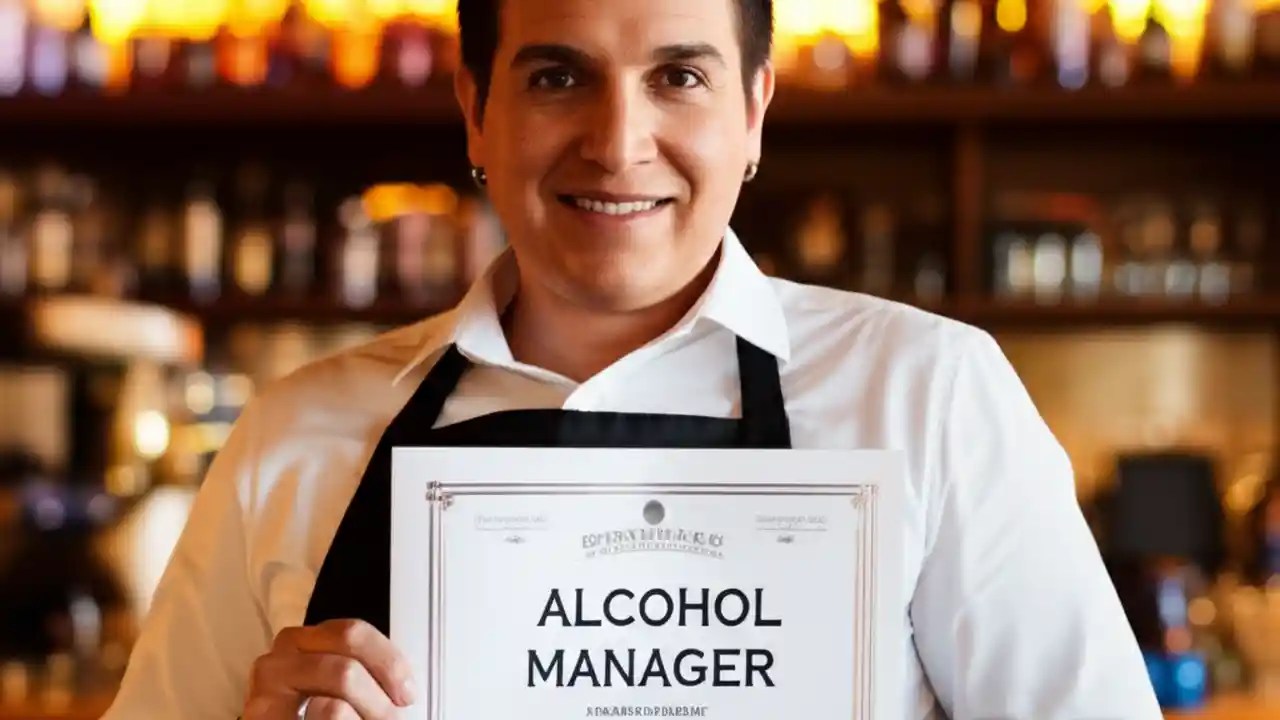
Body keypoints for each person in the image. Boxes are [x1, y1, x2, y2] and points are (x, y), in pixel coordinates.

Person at [102, 1, 1163, 718]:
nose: (617, 142)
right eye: (558, 75)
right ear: (476, 111)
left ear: (753, 114)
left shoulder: (927, 394)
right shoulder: (293, 436)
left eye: (678, 77)